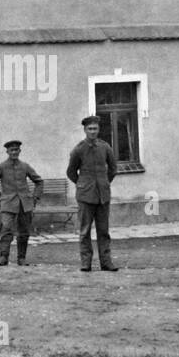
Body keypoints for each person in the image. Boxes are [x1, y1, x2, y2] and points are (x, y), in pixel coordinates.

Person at [66, 115, 117, 272]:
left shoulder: (105, 147)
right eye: (90, 129)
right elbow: (71, 172)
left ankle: (106, 262)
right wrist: (82, 185)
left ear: (99, 129)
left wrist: (104, 183)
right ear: (85, 130)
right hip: (86, 196)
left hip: (103, 195)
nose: (93, 132)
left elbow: (113, 169)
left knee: (104, 231)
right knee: (85, 230)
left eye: (95, 128)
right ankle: (86, 262)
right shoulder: (79, 149)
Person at [0, 140, 44, 266]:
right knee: (6, 230)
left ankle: (21, 258)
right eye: (11, 150)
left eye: (16, 150)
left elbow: (39, 182)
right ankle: (3, 257)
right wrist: (0, 199)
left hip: (25, 203)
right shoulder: (1, 167)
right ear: (7, 152)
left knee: (24, 231)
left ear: (20, 151)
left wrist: (35, 198)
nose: (14, 152)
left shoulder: (25, 166)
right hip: (8, 204)